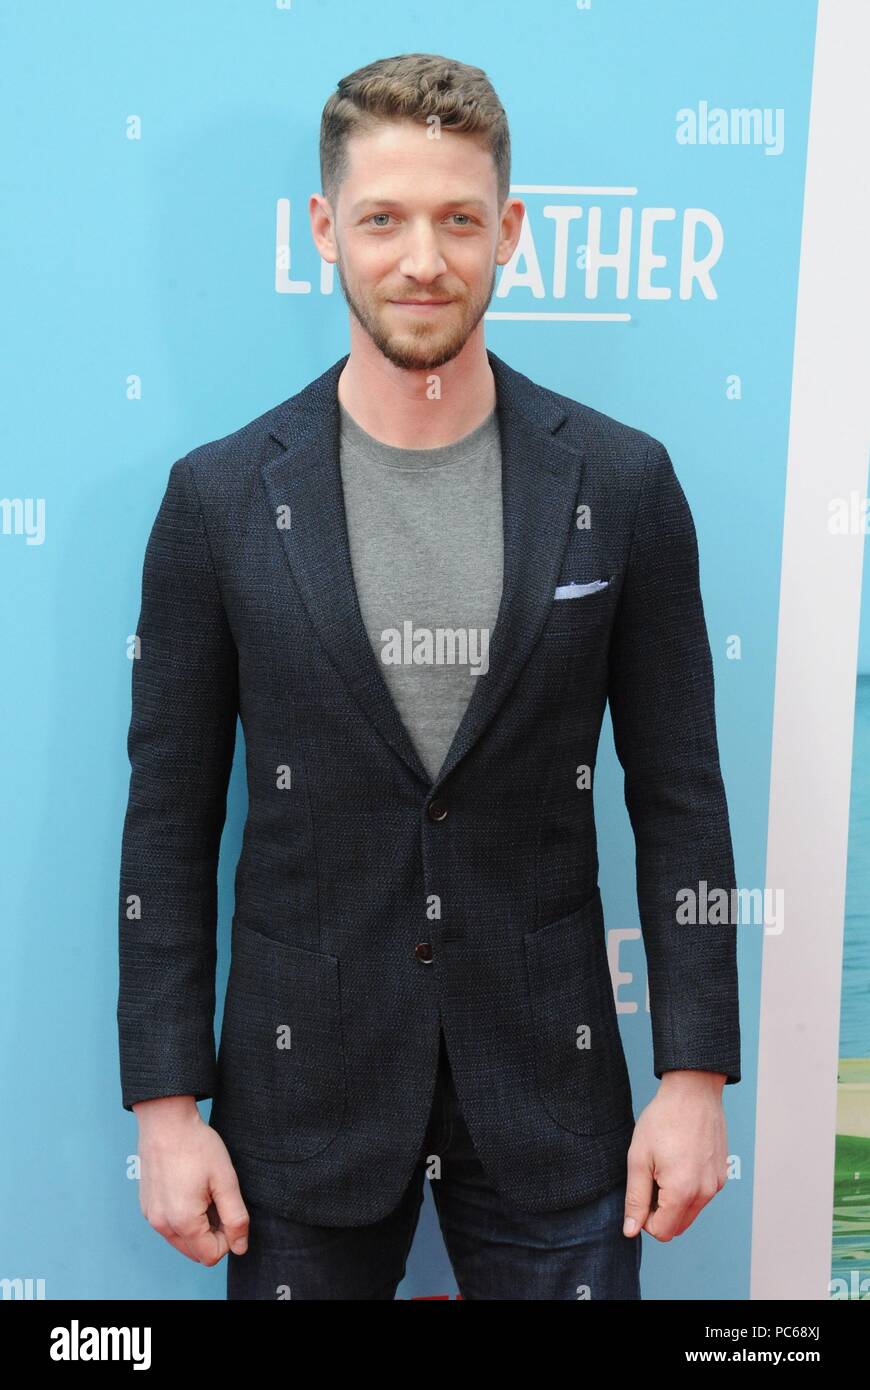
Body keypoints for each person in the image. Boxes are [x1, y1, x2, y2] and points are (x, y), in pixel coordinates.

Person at [118, 52, 740, 1301]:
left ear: (509, 230)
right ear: (322, 232)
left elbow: (681, 797)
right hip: (300, 1112)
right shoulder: (220, 501)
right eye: (383, 219)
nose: (422, 259)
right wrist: (166, 1110)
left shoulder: (620, 486)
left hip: (554, 1106)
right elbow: (168, 831)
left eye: (459, 219)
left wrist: (693, 1077)